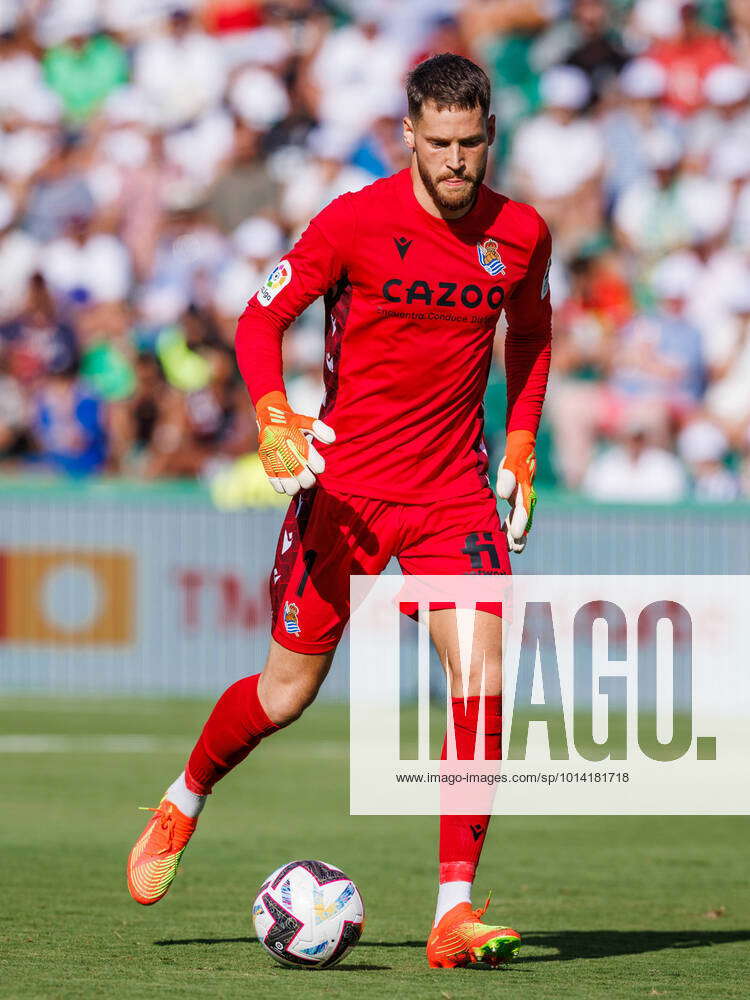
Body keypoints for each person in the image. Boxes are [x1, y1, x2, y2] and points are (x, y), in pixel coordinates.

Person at [126, 53, 552, 970]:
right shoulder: (355, 222)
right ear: (408, 133)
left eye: (471, 145)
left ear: (491, 136)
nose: (455, 163)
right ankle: (186, 797)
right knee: (284, 695)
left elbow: (535, 335)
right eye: (439, 144)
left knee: (481, 673)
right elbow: (256, 320)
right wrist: (275, 415)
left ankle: (454, 910)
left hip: (451, 496)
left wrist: (520, 444)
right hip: (346, 495)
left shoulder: (520, 235)